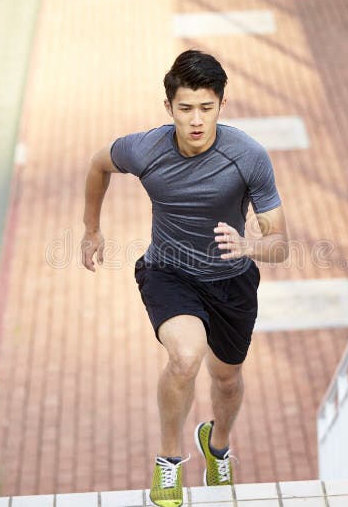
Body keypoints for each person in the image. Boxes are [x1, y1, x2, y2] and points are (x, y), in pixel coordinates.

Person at [80, 50, 289, 507]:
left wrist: (248, 246)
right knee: (185, 357)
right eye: (186, 108)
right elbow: (97, 164)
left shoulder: (248, 156)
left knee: (227, 381)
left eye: (207, 108)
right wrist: (91, 229)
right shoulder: (146, 149)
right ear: (168, 107)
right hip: (167, 272)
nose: (196, 120)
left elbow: (280, 245)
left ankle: (217, 445)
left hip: (232, 281)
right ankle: (169, 461)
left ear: (222, 104)